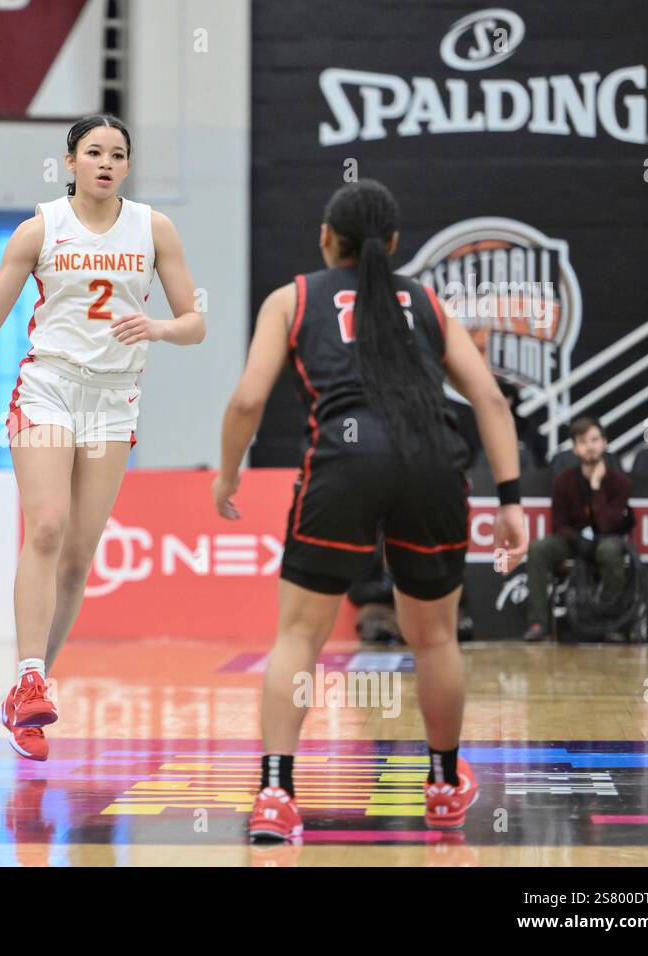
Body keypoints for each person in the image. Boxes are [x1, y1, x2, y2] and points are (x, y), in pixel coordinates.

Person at [213, 180, 528, 842]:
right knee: (436, 637)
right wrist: (509, 500)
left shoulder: (292, 298)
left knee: (298, 636)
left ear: (327, 239)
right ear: (393, 244)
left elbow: (247, 400)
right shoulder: (427, 301)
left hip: (346, 462)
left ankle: (275, 794)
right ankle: (442, 785)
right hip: (431, 460)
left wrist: (229, 473)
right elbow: (492, 402)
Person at [0, 114, 205, 761]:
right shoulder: (39, 229)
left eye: (118, 154)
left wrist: (157, 328)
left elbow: (194, 323)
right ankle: (31, 674)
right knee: (45, 525)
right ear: (69, 161)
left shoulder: (154, 228)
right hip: (49, 387)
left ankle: (26, 698)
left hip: (114, 400)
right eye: (94, 151)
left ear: (127, 166)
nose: (106, 162)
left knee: (76, 556)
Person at [523, 416, 632, 642]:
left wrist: (596, 487)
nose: (590, 446)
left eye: (594, 440)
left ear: (605, 443)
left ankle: (611, 623)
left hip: (606, 540)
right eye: (583, 441)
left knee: (610, 551)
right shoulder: (563, 481)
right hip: (572, 540)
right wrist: (575, 540)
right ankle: (539, 623)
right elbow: (559, 523)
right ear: (574, 447)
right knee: (539, 548)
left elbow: (607, 523)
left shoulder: (620, 483)